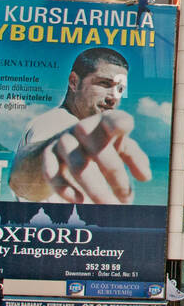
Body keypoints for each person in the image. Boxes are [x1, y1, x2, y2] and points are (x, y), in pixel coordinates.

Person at [8, 47, 151, 205]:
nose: (113, 98)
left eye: (120, 89)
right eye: (104, 83)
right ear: (74, 82)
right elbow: (26, 178)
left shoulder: (84, 130)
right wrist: (51, 151)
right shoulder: (54, 123)